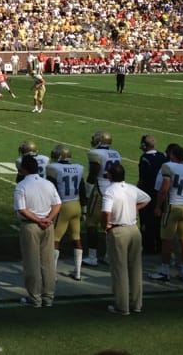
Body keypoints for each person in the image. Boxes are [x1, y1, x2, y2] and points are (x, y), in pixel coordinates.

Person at [101, 162, 151, 316]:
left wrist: (106, 226)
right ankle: (137, 304)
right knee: (135, 268)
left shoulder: (109, 191)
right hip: (134, 230)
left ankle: (122, 306)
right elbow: (147, 199)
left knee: (119, 269)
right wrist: (133, 208)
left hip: (119, 231)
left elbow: (106, 212)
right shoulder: (131, 188)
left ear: (110, 175)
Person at [14, 154, 62, 308]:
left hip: (31, 226)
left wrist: (38, 220)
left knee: (32, 262)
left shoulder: (22, 185)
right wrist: (48, 219)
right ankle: (48, 296)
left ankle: (34, 297)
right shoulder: (47, 183)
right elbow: (57, 204)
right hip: (48, 225)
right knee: (48, 262)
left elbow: (22, 209)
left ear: (23, 169)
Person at [150, 144, 183, 282]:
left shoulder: (168, 167)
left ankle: (165, 271)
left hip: (173, 206)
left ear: (172, 155)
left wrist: (158, 206)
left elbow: (163, 189)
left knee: (166, 239)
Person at [46, 144, 85, 280]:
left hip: (63, 205)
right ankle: (78, 272)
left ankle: (53, 272)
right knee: (76, 237)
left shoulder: (53, 168)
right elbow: (82, 188)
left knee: (55, 238)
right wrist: (84, 209)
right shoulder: (79, 168)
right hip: (77, 204)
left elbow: (52, 189)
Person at [84, 131, 121, 267]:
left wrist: (87, 192)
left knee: (91, 223)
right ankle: (109, 255)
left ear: (100, 140)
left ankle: (93, 256)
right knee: (109, 224)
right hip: (114, 190)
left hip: (100, 189)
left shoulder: (96, 154)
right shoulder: (116, 154)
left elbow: (93, 173)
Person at [137, 135, 167, 254]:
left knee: (147, 220)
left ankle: (149, 246)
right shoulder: (162, 156)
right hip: (160, 192)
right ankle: (159, 245)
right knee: (159, 220)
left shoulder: (144, 158)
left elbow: (143, 178)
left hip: (148, 192)